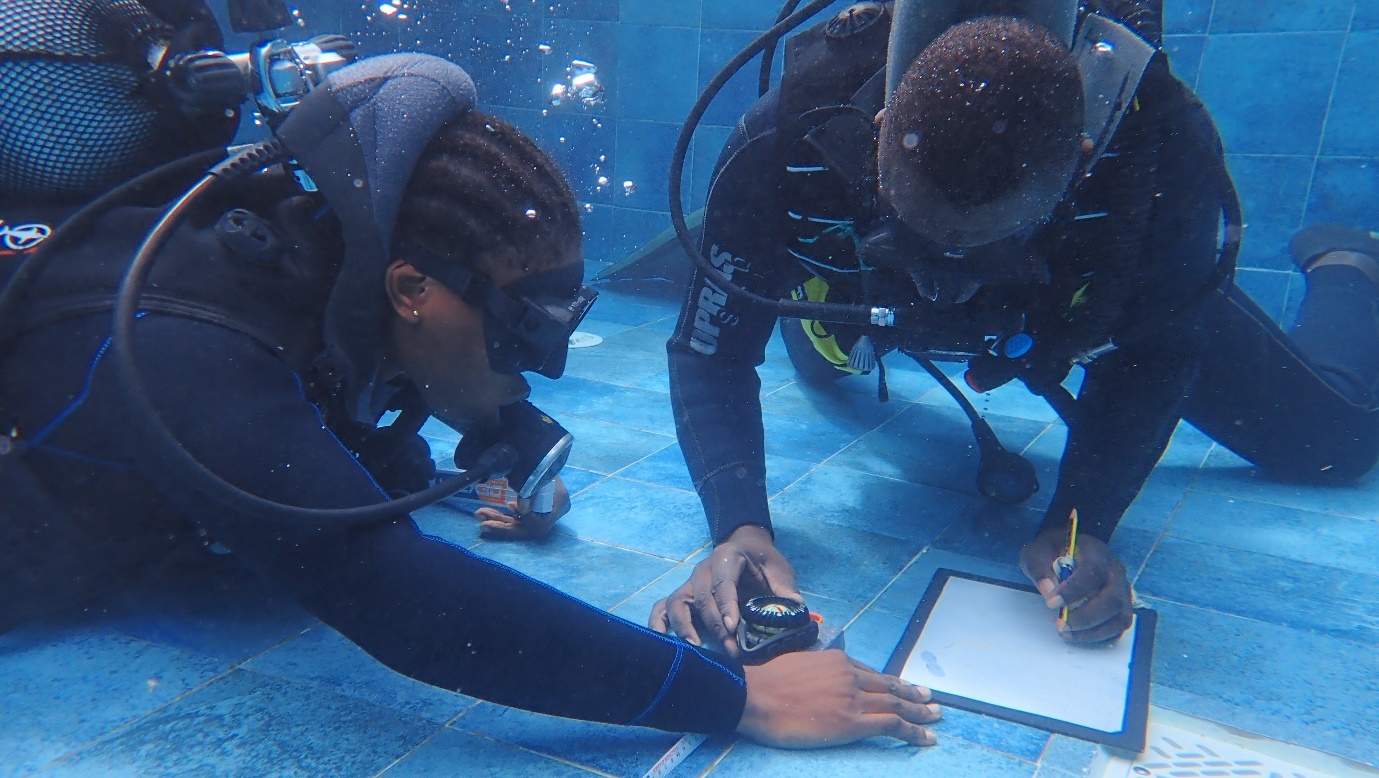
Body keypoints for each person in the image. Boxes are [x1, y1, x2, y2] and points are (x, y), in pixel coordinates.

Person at [0, 0, 942, 750]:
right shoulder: (183, 348)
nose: (537, 365)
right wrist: (736, 698)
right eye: (518, 331)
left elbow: (345, 443)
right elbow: (400, 601)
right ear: (410, 288)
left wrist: (496, 463)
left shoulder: (322, 273)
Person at [652, 0, 1379, 652]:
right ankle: (864, 299)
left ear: (1077, 162)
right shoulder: (786, 137)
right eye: (920, 236)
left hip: (1069, 298)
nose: (946, 281)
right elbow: (712, 350)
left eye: (987, 249)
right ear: (878, 135)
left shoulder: (1159, 152)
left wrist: (1079, 521)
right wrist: (739, 521)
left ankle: (1346, 262)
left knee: (1334, 445)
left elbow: (1156, 357)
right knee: (817, 353)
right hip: (853, 280)